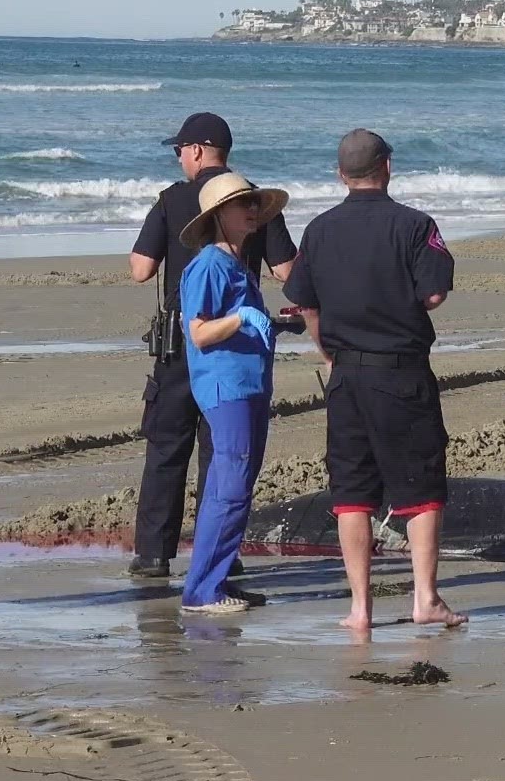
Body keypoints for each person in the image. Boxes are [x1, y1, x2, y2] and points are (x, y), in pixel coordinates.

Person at [283, 129, 466, 636]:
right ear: (386, 167)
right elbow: (434, 296)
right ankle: (424, 598)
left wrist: (328, 351)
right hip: (399, 369)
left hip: (345, 373)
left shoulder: (319, 230)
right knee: (421, 485)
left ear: (341, 174)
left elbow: (305, 303)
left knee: (352, 492)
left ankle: (360, 608)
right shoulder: (413, 224)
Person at [126, 112, 298, 580]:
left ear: (198, 150)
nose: (179, 158)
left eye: (179, 150)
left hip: (181, 345)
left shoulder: (170, 199)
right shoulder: (253, 203)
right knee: (220, 453)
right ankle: (220, 552)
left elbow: (140, 268)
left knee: (166, 448)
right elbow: (287, 271)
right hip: (235, 347)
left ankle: (153, 554)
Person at [176, 172, 289, 615]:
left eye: (255, 204)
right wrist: (242, 318)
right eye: (245, 205)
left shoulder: (236, 263)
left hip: (250, 385)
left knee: (236, 487)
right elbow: (199, 332)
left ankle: (216, 580)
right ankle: (202, 591)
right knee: (230, 488)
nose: (253, 212)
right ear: (219, 215)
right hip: (227, 389)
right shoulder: (207, 263)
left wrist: (276, 322)